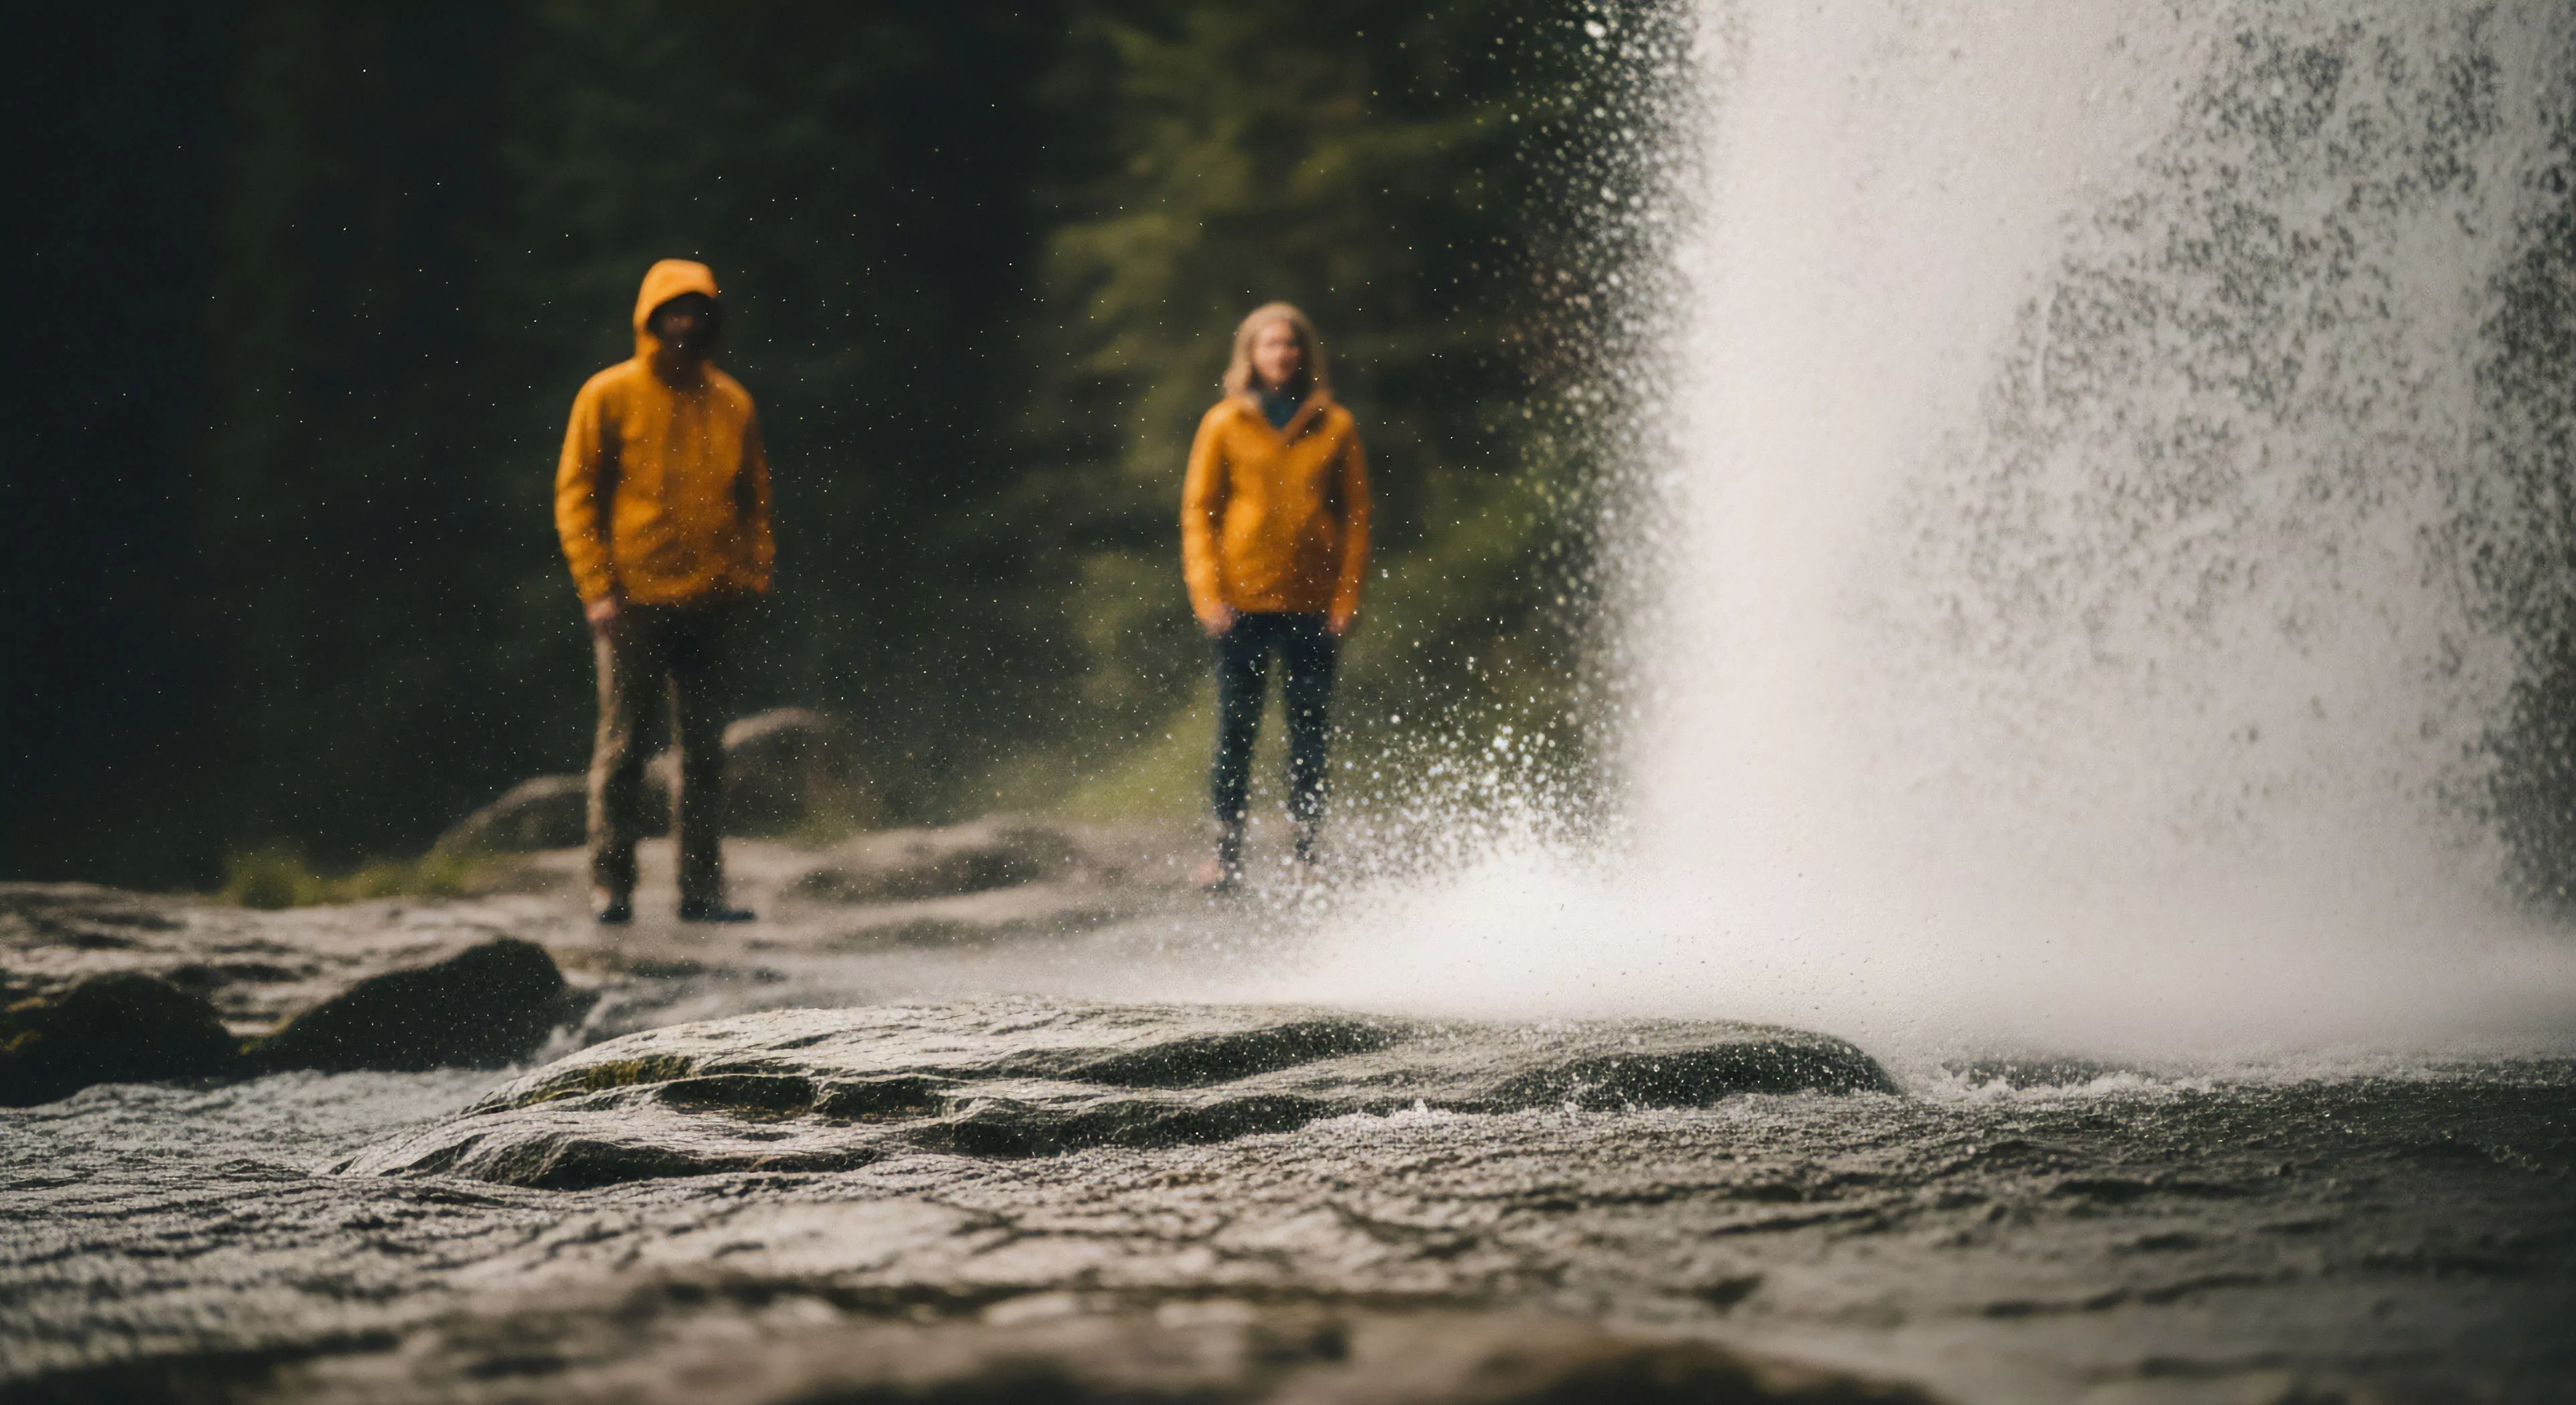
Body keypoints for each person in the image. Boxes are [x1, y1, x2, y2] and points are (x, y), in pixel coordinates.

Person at [555, 259, 773, 925]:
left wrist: (753, 576)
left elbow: (755, 502)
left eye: (698, 311)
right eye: (674, 311)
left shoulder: (733, 402)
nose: (686, 323)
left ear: (713, 320)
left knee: (705, 753)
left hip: (714, 602)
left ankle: (700, 891)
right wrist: (596, 588)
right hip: (633, 602)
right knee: (623, 749)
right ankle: (610, 886)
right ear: (649, 319)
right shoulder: (608, 395)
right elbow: (575, 498)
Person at [1180, 302, 1372, 889]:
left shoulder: (1335, 424)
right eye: (1269, 345)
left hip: (1313, 604)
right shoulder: (1223, 422)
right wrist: (1207, 593)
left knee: (1309, 732)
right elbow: (1198, 511)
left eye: (1290, 344)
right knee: (1236, 730)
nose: (1281, 354)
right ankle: (1225, 855)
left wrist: (1346, 598)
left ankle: (1307, 855)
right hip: (1240, 601)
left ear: (1304, 352)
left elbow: (1356, 515)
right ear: (1250, 354)